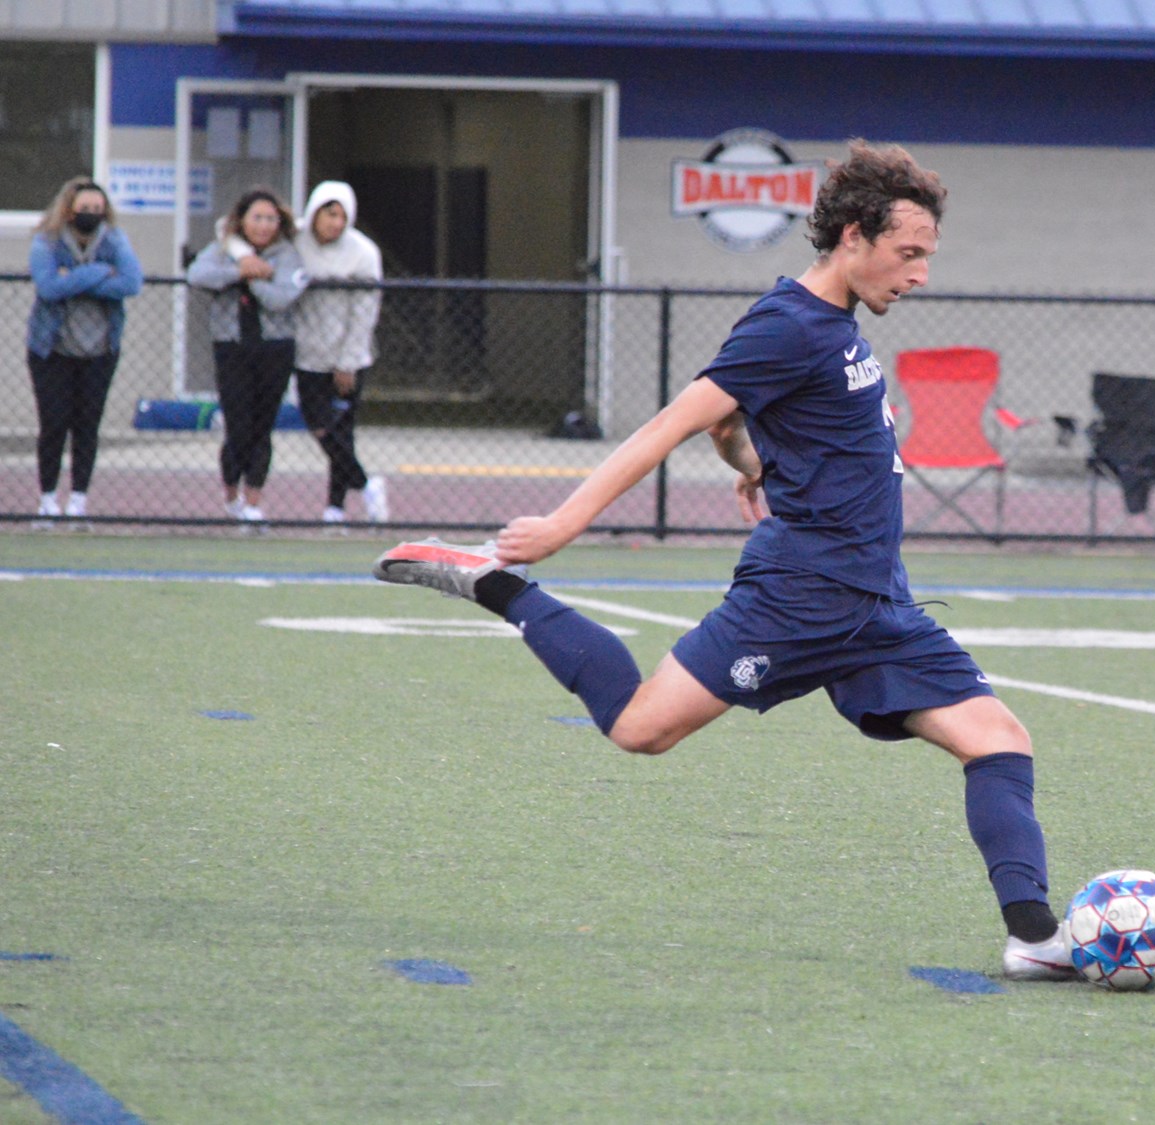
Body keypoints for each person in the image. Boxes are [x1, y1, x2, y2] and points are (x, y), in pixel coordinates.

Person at [373, 140, 1074, 980]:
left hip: (880, 603)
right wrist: (564, 522)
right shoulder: (788, 323)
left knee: (998, 739)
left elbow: (776, 428)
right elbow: (670, 423)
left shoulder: (835, 326)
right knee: (639, 727)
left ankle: (1034, 937)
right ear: (854, 235)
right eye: (909, 252)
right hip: (802, 594)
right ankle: (504, 586)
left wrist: (753, 462)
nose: (920, 272)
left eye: (927, 254)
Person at [186, 188, 309, 524]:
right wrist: (241, 269)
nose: (264, 225)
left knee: (261, 426)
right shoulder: (226, 250)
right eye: (257, 217)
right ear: (242, 220)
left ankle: (254, 501)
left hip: (275, 348)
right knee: (237, 425)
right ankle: (230, 495)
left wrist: (253, 277)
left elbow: (281, 297)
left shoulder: (287, 254)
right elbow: (198, 274)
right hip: (231, 347)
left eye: (271, 218)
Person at [26, 177, 143, 526]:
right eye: (84, 208)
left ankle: (78, 500)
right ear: (69, 209)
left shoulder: (114, 239)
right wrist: (96, 273)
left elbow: (131, 282)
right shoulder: (47, 241)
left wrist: (73, 278)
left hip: (99, 350)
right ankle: (47, 499)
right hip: (52, 349)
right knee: (54, 424)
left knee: (87, 426)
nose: (91, 214)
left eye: (97, 209)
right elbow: (48, 287)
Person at [294, 180, 387, 524]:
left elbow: (365, 312)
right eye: (328, 213)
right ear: (315, 211)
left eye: (341, 216)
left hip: (350, 357)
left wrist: (347, 361)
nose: (334, 222)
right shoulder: (294, 238)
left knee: (342, 430)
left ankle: (335, 507)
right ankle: (366, 484)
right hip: (307, 355)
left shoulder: (363, 252)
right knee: (319, 426)